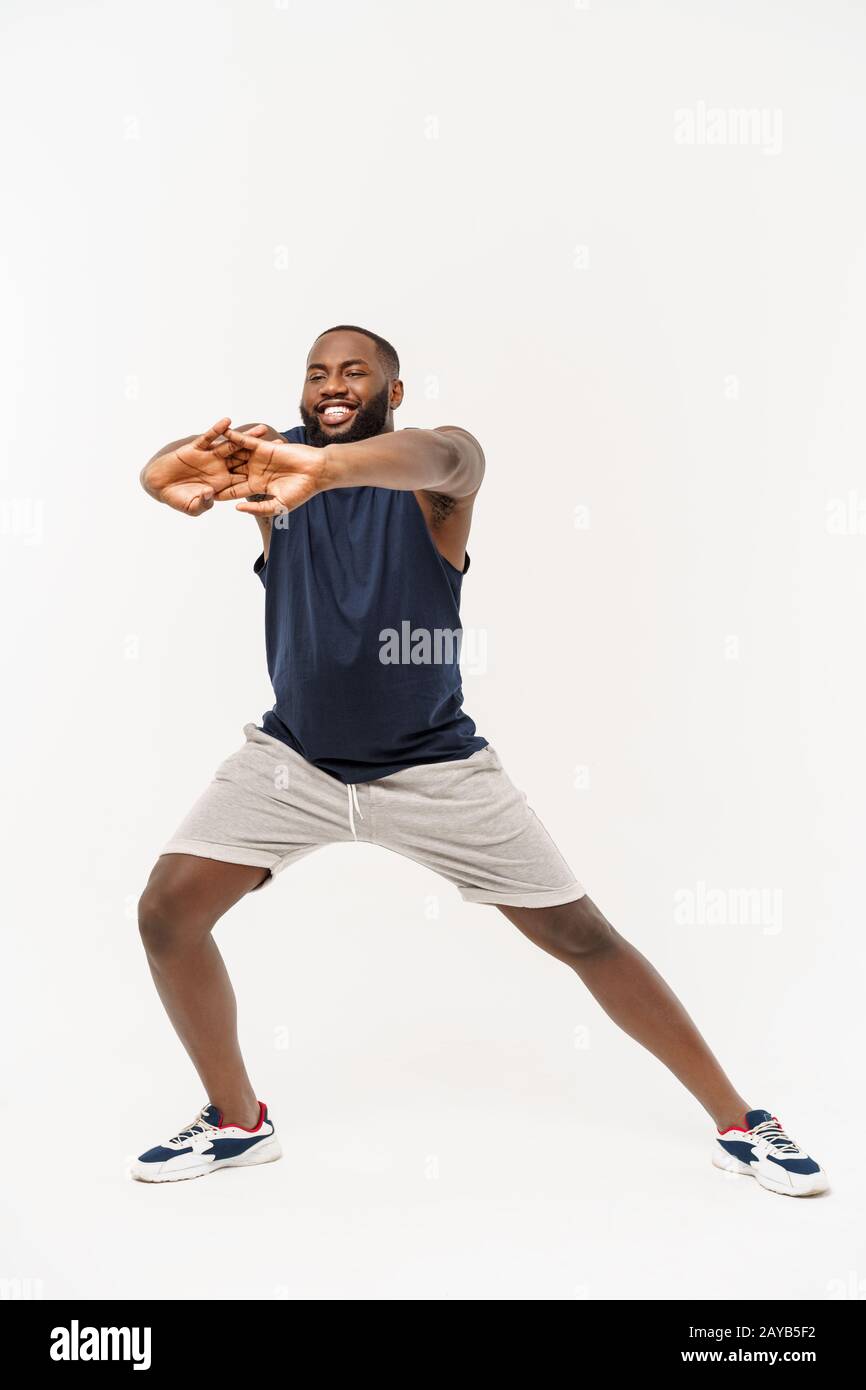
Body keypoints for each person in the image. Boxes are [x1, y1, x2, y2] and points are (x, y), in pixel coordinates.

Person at [132, 324, 827, 1197]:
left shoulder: (429, 476)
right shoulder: (273, 469)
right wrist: (157, 466)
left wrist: (331, 470)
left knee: (580, 935)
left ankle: (741, 1121)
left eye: (355, 371)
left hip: (434, 770)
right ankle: (238, 1123)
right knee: (166, 913)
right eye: (316, 373)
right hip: (294, 762)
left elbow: (449, 459)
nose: (331, 385)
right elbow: (191, 461)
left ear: (394, 388)